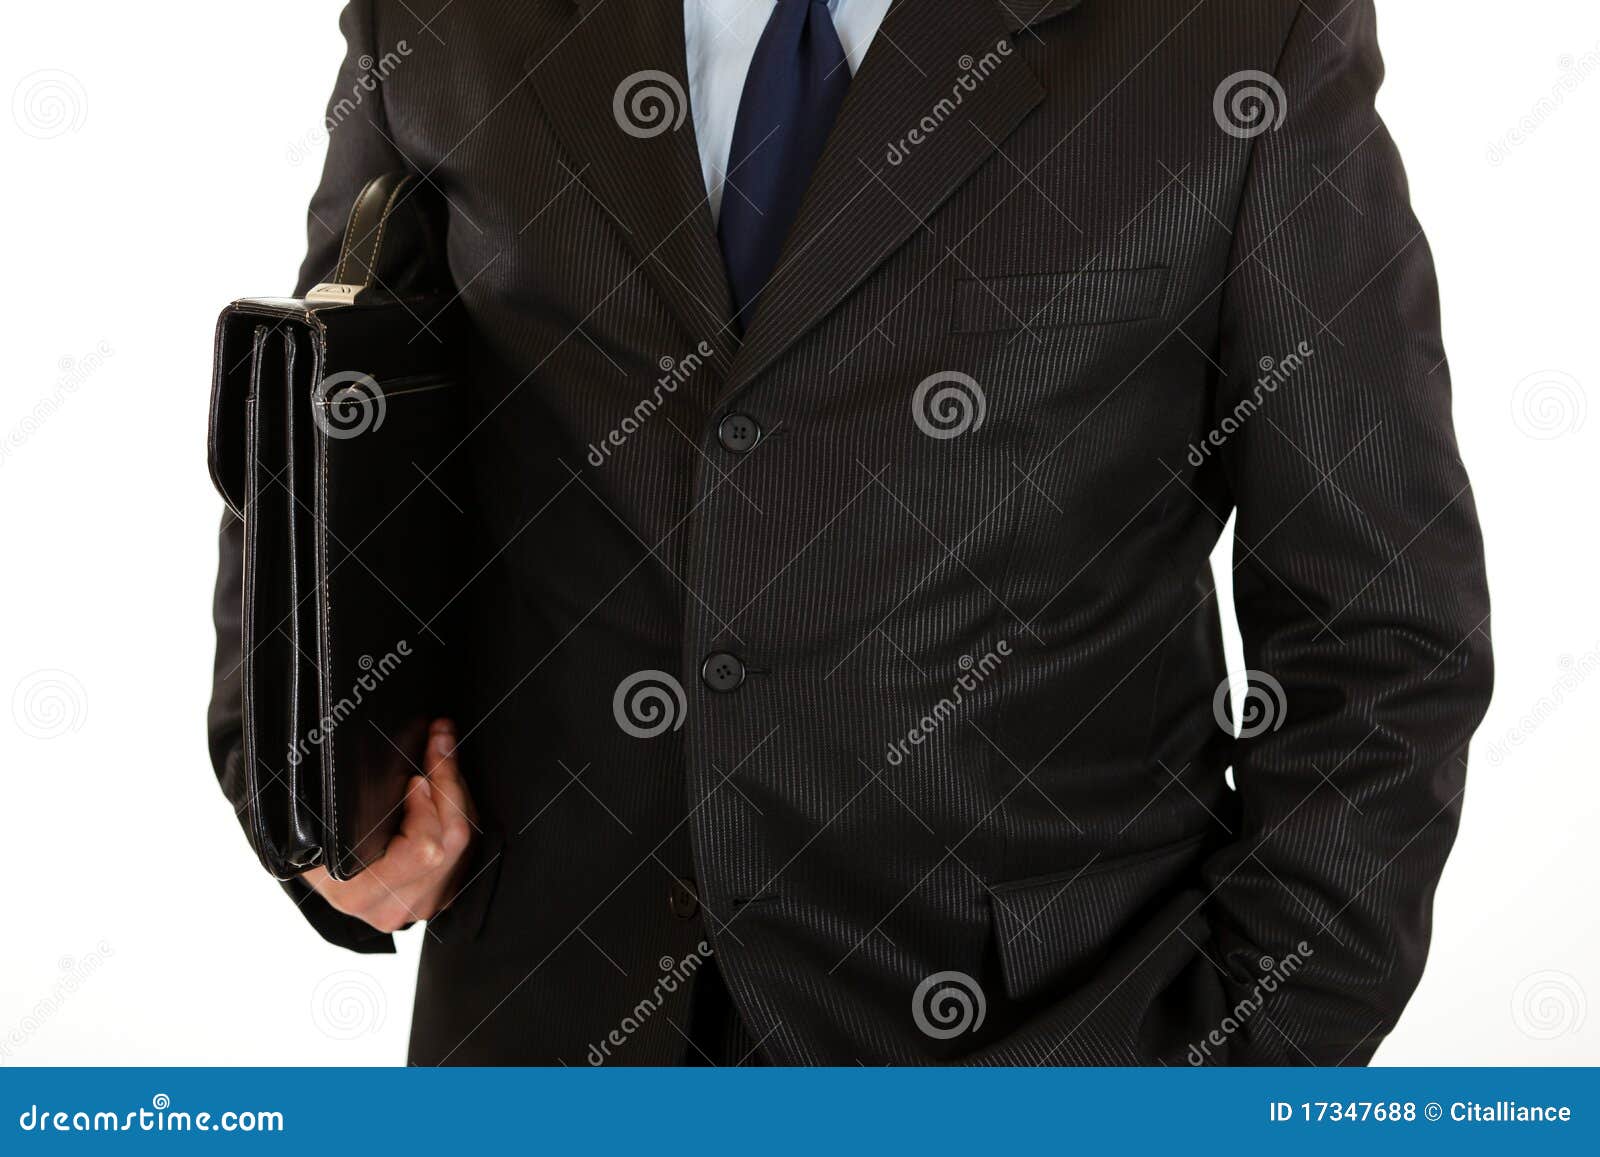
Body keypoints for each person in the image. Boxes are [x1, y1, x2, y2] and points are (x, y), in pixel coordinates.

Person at [208, 0, 1493, 1066]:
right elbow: (328, 440)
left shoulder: (1236, 34)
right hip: (544, 1026)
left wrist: (1241, 1066)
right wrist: (323, 807)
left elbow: (1379, 626)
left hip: (1046, 1039)